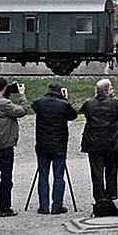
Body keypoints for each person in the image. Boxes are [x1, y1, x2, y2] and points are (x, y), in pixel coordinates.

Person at [0, 77, 28, 217]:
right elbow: (22, 110)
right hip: (5, 144)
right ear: (4, 88)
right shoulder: (5, 104)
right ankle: (5, 207)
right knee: (6, 176)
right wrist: (21, 95)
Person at [31, 81, 78, 215]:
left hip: (43, 144)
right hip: (59, 144)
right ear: (60, 91)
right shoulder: (63, 105)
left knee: (43, 175)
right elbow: (73, 116)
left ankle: (43, 206)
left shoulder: (40, 103)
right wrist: (65, 99)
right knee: (58, 176)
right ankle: (57, 205)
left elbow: (34, 106)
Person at [80, 78, 118, 208]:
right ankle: (112, 197)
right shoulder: (115, 103)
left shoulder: (89, 103)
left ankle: (100, 199)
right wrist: (113, 97)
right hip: (112, 142)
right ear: (108, 90)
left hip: (94, 143)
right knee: (112, 172)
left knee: (96, 172)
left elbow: (84, 112)